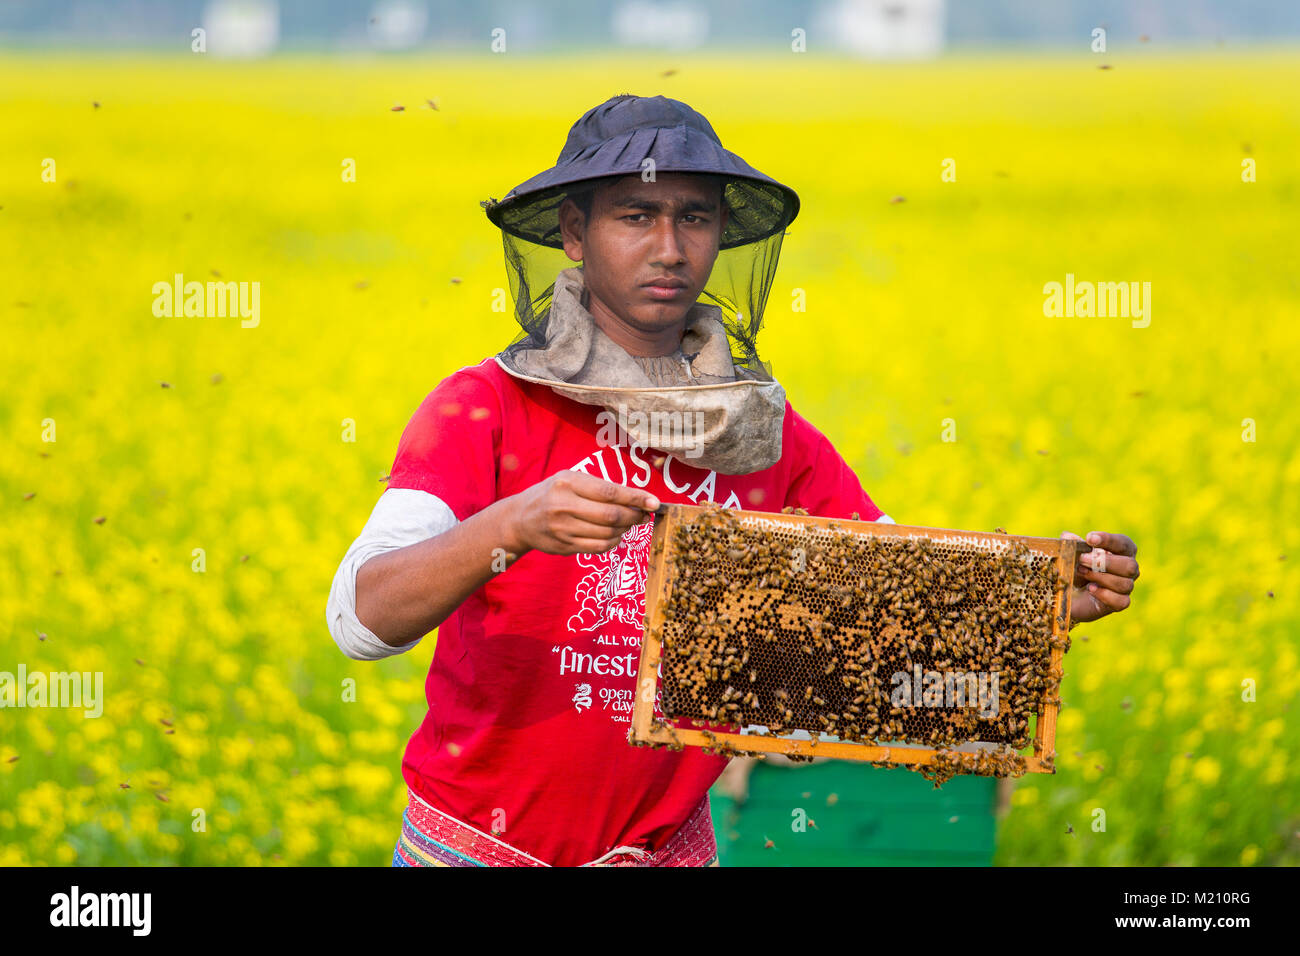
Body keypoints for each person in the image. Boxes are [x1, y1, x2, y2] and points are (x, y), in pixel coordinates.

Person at [325, 94, 1139, 867]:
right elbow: (361, 620)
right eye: (636, 216)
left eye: (695, 218)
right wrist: (508, 527)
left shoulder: (768, 442)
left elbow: (895, 597)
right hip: (477, 848)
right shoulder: (485, 407)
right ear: (574, 233)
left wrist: (1038, 600)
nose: (671, 248)